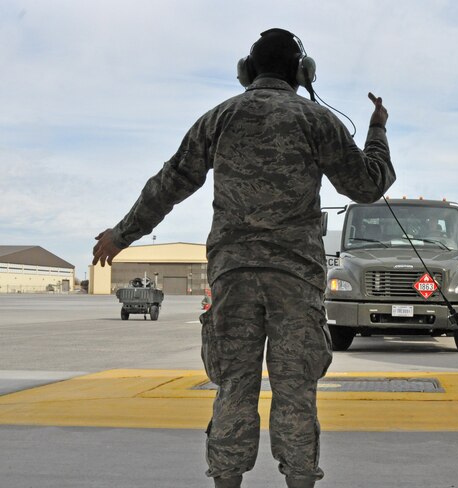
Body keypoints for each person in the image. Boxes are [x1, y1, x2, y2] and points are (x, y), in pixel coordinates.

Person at [92, 28, 395, 488]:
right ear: (302, 72)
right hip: (296, 280)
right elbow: (368, 186)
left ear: (246, 72)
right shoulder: (317, 121)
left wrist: (122, 234)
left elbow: (171, 181)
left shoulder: (220, 117)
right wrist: (377, 129)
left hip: (232, 277)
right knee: (296, 393)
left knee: (234, 388)